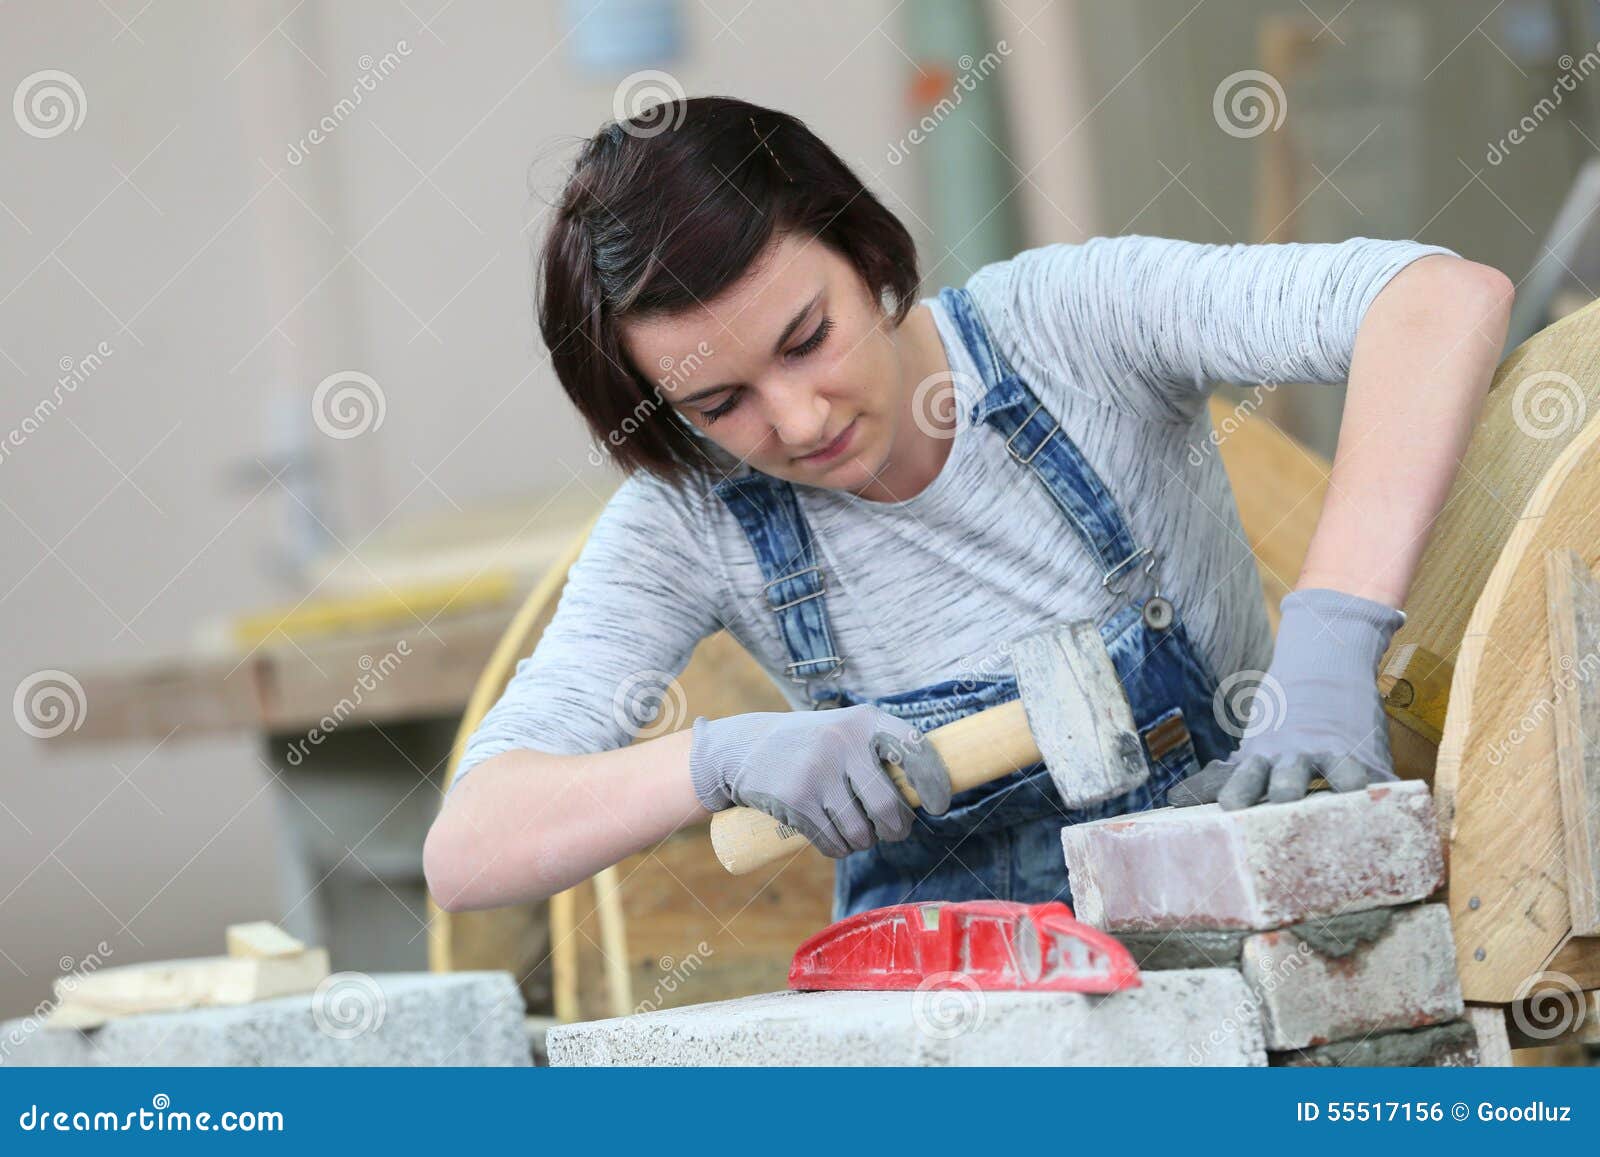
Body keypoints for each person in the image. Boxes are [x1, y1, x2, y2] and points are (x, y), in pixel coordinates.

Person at [423, 96, 1512, 920]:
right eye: (719, 400)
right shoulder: (691, 523)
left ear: (865, 254)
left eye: (808, 338)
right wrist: (714, 759)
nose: (797, 421)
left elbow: (1437, 301)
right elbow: (469, 848)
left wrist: (1327, 642)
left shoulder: (1071, 328)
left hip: (1232, 952)